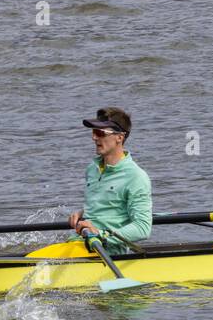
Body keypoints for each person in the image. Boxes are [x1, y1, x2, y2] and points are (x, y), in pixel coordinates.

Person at [28, 106, 152, 259]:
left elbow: (143, 228)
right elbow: (107, 206)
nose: (94, 138)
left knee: (34, 261)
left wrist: (100, 234)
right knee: (32, 257)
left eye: (100, 133)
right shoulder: (92, 169)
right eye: (93, 132)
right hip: (81, 243)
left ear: (119, 137)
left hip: (107, 251)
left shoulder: (136, 177)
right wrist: (83, 213)